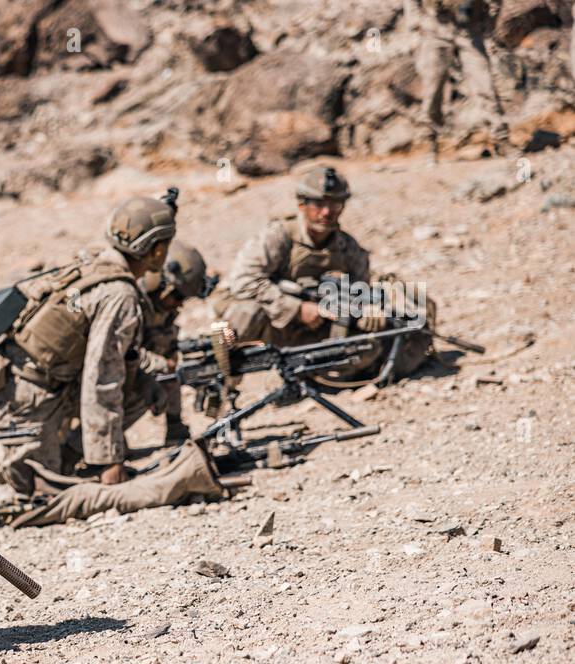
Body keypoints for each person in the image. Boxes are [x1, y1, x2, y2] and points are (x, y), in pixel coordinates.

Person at [0, 192, 178, 495]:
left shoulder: (94, 262)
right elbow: (101, 375)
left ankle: (72, 452)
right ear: (156, 251)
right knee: (35, 487)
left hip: (53, 384)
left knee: (142, 385)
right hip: (30, 397)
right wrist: (109, 461)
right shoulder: (119, 293)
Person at [222, 166, 372, 349]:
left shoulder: (348, 248)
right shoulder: (279, 236)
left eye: (334, 204)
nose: (326, 212)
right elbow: (244, 281)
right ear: (302, 205)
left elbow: (362, 291)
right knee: (245, 312)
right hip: (273, 323)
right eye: (318, 204)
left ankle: (319, 375)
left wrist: (368, 312)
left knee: (369, 344)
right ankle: (225, 374)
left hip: (315, 330)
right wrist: (297, 309)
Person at [405, 0, 510, 155]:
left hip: (469, 31)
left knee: (484, 84)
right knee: (432, 91)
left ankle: (501, 139)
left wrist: (488, 24)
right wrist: (416, 22)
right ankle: (429, 144)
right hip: (435, 29)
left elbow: (495, 3)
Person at [139, 240, 218, 445]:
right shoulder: (129, 302)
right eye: (177, 296)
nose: (178, 304)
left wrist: (174, 422)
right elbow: (117, 354)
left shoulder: (160, 312)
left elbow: (169, 362)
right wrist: (160, 366)